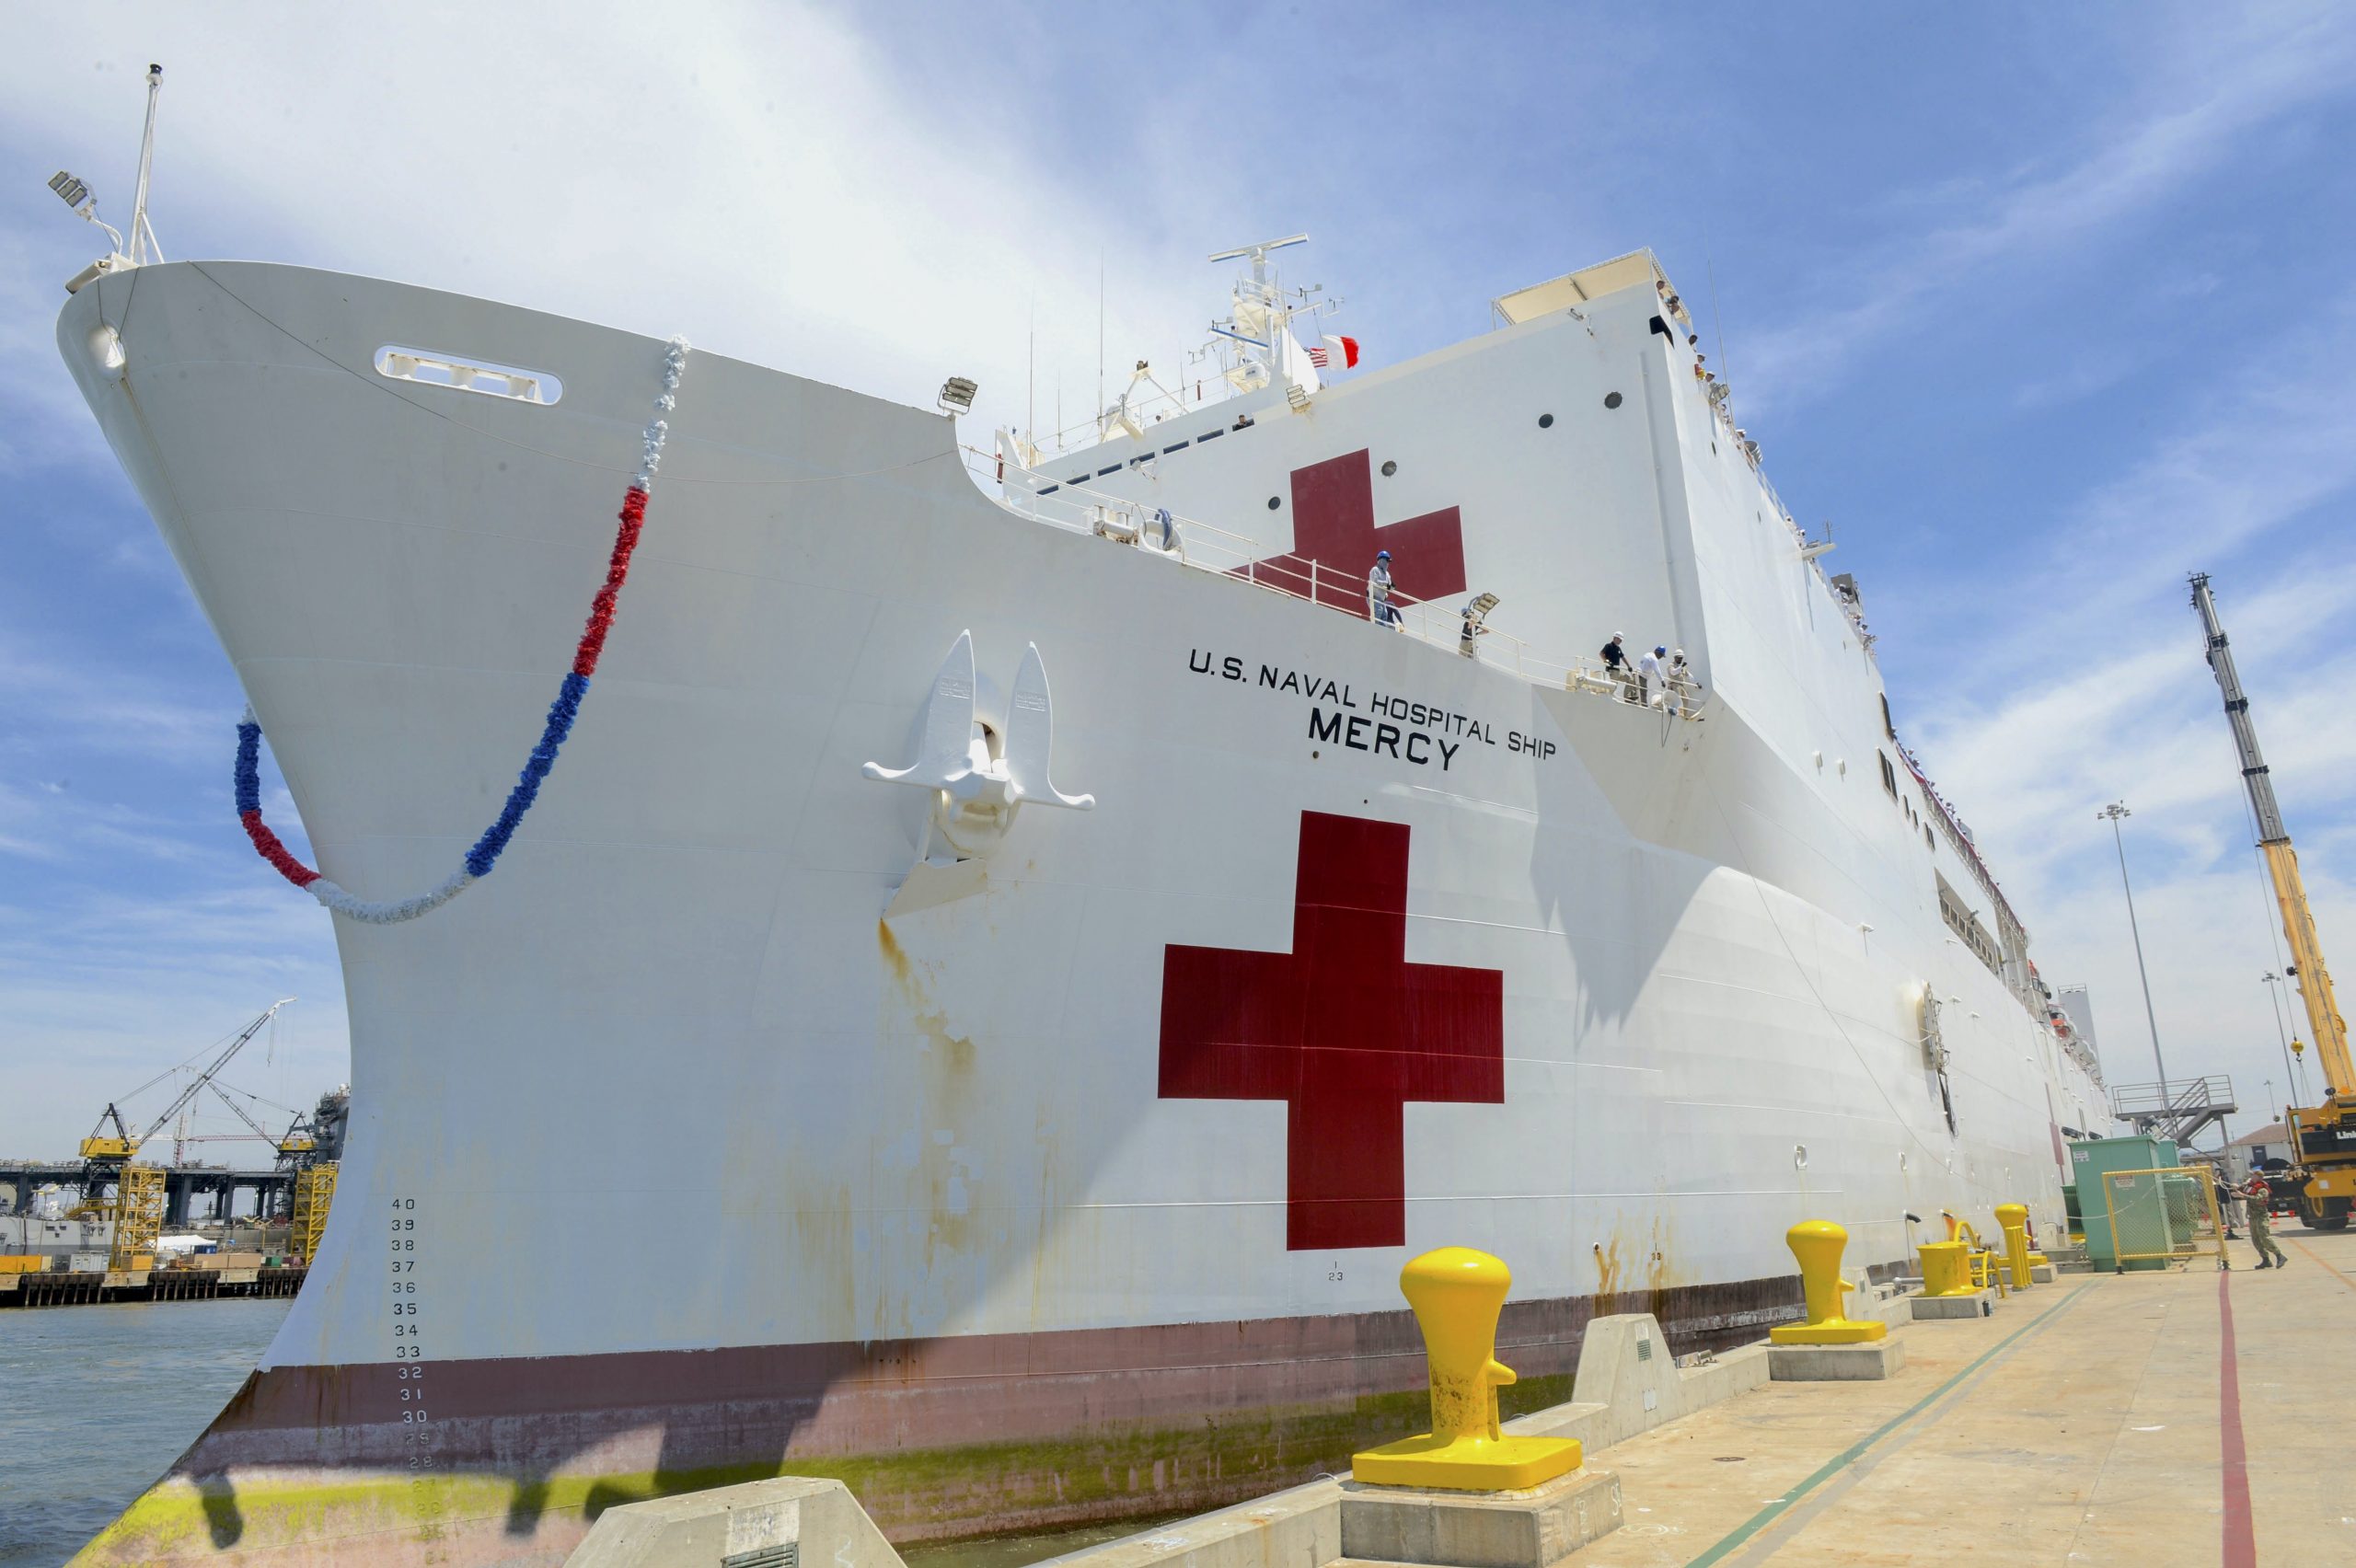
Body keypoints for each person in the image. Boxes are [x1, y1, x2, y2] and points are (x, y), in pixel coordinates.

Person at [2245, 1171, 2288, 1270]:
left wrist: (2242, 1195)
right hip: (2253, 1217)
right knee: (2255, 1239)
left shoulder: (2263, 1189)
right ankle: (2265, 1259)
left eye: (2253, 1175)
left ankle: (2279, 1255)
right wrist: (2236, 1188)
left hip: (2261, 1216)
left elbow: (2257, 1199)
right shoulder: (2251, 1186)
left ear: (2258, 1177)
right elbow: (2243, 1190)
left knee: (2264, 1237)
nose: (2251, 1177)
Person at [1368, 549, 1401, 628]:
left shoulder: (1387, 574)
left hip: (1382, 599)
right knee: (1378, 612)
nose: (1388, 563)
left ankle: (1381, 630)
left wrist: (1392, 586)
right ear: (1382, 560)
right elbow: (1374, 582)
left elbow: (1389, 586)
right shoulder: (1375, 570)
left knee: (1384, 614)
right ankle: (1375, 629)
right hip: (1373, 596)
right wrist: (1386, 584)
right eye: (1387, 561)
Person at [1600, 632, 1634, 702]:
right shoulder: (1609, 646)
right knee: (1613, 686)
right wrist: (1607, 661)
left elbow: (1623, 657)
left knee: (1630, 680)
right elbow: (1601, 654)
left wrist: (1629, 666)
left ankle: (1627, 697)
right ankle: (1608, 699)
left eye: (1621, 640)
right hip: (1611, 671)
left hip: (1617, 671)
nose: (1620, 641)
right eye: (1619, 639)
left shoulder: (1618, 648)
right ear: (1615, 638)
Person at [1637, 644, 1667, 708]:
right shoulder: (1654, 659)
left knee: (1635, 691)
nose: (1661, 657)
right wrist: (1662, 681)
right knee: (1643, 694)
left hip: (1636, 675)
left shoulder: (1647, 654)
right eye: (1661, 655)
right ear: (1657, 652)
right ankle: (1644, 708)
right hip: (1642, 678)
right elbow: (1657, 670)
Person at [1668, 648, 1696, 714]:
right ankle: (1678, 714)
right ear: (1675, 657)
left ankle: (1684, 715)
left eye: (1681, 658)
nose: (1680, 659)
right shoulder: (1671, 665)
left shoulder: (1683, 667)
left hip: (1682, 686)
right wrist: (1681, 666)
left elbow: (1689, 675)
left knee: (1686, 699)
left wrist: (1696, 683)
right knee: (1677, 699)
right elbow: (1673, 672)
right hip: (1674, 685)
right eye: (1679, 658)